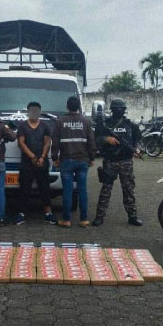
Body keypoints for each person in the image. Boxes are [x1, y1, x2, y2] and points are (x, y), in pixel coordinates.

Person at [93, 98, 143, 227]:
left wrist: (137, 149)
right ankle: (99, 217)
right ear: (112, 109)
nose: (119, 110)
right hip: (110, 161)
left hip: (126, 162)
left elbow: (138, 140)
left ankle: (132, 216)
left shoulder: (131, 125)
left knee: (129, 190)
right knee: (106, 190)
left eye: (121, 108)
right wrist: (106, 139)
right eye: (117, 108)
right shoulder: (105, 124)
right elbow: (95, 140)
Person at [51, 96, 96, 228]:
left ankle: (66, 220)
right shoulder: (86, 121)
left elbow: (55, 142)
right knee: (82, 190)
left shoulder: (60, 121)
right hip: (82, 161)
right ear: (78, 107)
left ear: (67, 106)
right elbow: (91, 141)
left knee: (67, 190)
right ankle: (84, 219)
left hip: (66, 161)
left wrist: (55, 158)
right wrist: (92, 158)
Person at [17, 102, 55, 225]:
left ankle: (48, 214)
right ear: (28, 112)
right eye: (32, 111)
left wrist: (42, 157)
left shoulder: (45, 126)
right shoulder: (22, 126)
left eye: (36, 111)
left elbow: (47, 143)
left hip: (42, 162)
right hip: (26, 163)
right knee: (24, 188)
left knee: (45, 188)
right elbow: (21, 143)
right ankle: (21, 214)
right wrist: (32, 156)